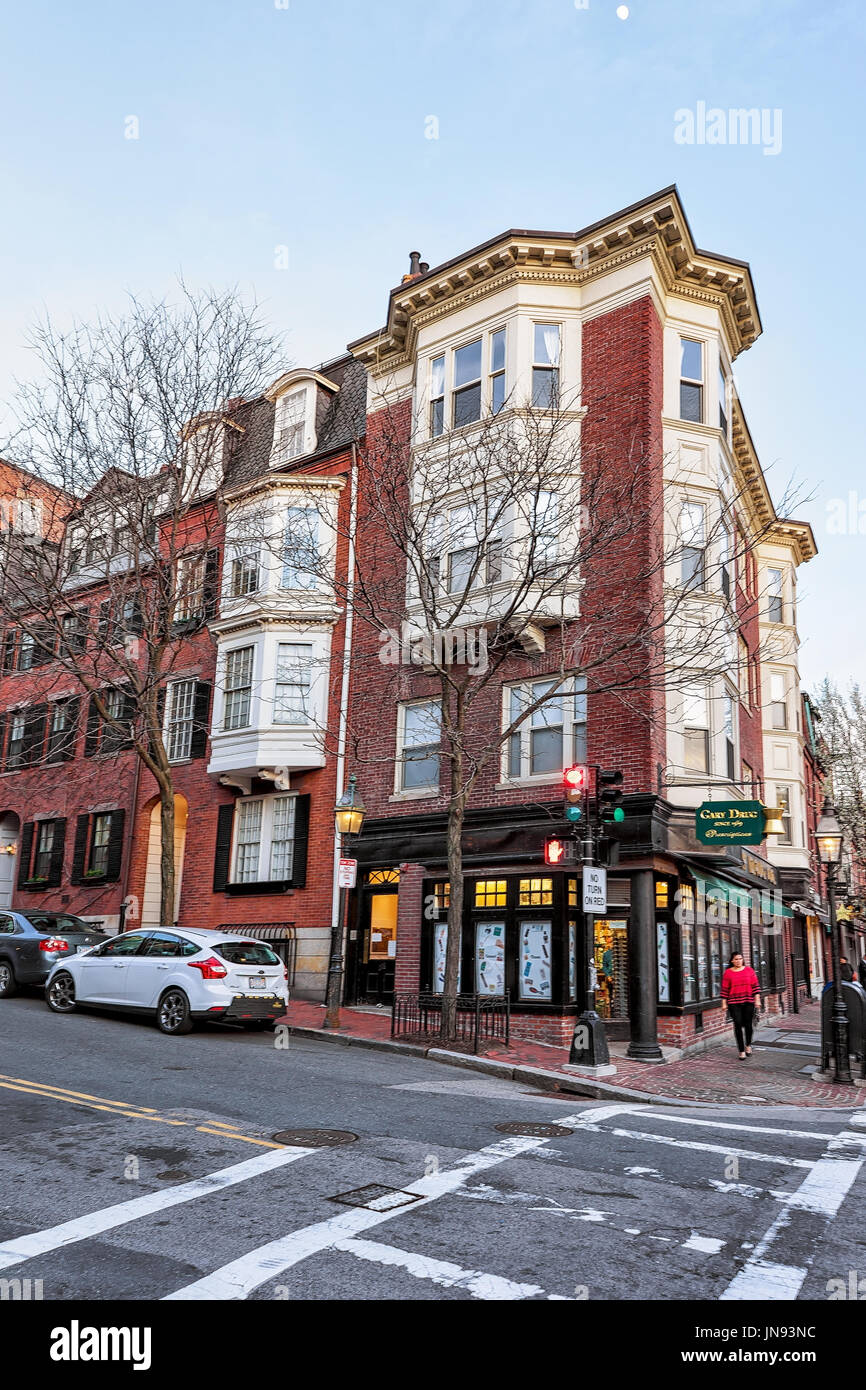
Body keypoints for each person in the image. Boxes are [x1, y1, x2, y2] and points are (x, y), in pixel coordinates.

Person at [721, 952, 762, 1060]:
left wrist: (757, 1000)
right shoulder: (728, 973)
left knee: (748, 1025)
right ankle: (741, 1050)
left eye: (740, 959)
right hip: (734, 1003)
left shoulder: (749, 970)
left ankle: (748, 1045)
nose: (739, 961)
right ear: (732, 961)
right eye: (736, 959)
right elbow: (725, 989)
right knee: (737, 1024)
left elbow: (755, 987)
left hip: (748, 1001)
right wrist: (724, 1003)